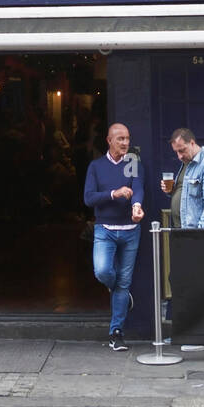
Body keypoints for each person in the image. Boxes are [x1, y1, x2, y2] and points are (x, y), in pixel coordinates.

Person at [83, 122, 144, 350]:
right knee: (103, 271)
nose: (126, 143)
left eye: (127, 138)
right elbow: (88, 198)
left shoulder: (132, 162)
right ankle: (120, 292)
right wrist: (114, 193)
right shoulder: (96, 167)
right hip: (105, 230)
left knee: (124, 283)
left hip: (130, 231)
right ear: (109, 141)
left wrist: (137, 205)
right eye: (120, 139)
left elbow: (138, 187)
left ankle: (116, 332)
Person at [160, 127, 204, 228]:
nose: (179, 156)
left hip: (194, 234)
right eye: (176, 152)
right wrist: (170, 191)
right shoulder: (187, 161)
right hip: (179, 229)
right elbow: (185, 193)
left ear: (192, 143)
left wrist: (199, 236)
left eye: (182, 150)